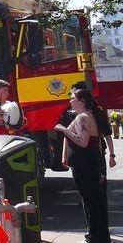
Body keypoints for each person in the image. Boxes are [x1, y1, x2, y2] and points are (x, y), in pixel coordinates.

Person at [56, 88, 111, 243]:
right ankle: (99, 235)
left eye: (73, 98)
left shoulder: (83, 117)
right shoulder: (84, 116)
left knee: (91, 201)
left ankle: (96, 236)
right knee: (93, 200)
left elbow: (83, 141)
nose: (70, 101)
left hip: (85, 163)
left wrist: (63, 129)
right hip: (88, 162)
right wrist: (64, 154)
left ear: (83, 101)